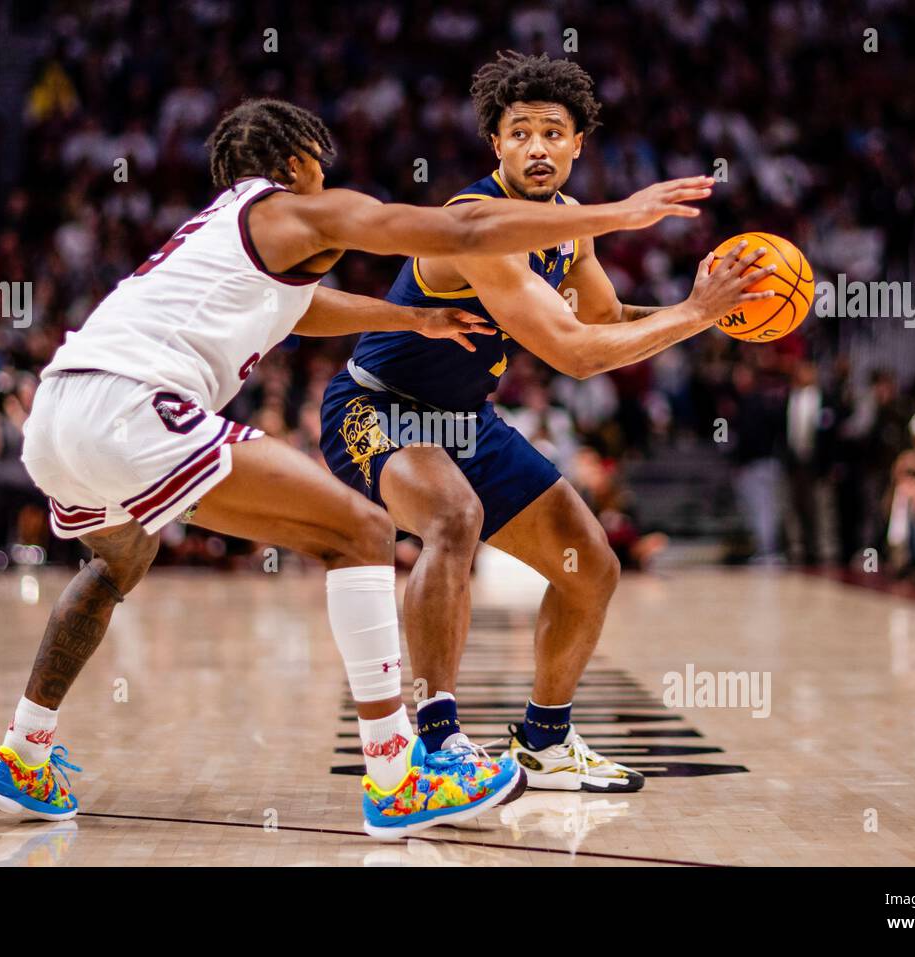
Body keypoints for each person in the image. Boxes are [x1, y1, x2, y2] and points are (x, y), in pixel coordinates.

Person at [0, 97, 716, 838]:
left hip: (60, 411)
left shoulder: (227, 235)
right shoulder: (296, 208)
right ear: (297, 163)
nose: (328, 181)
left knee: (113, 567)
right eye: (320, 167)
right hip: (158, 407)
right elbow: (465, 230)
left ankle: (22, 751)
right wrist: (624, 213)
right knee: (361, 531)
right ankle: (399, 773)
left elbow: (302, 308)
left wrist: (412, 317)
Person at [319, 53, 773, 792]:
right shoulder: (475, 222)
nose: (536, 146)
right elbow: (575, 354)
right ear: (494, 146)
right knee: (451, 517)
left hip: (466, 420)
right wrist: (694, 316)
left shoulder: (568, 225)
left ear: (576, 146)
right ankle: (435, 741)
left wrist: (706, 314)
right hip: (376, 408)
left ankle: (545, 742)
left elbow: (605, 318)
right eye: (519, 132)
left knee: (590, 567)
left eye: (552, 132)